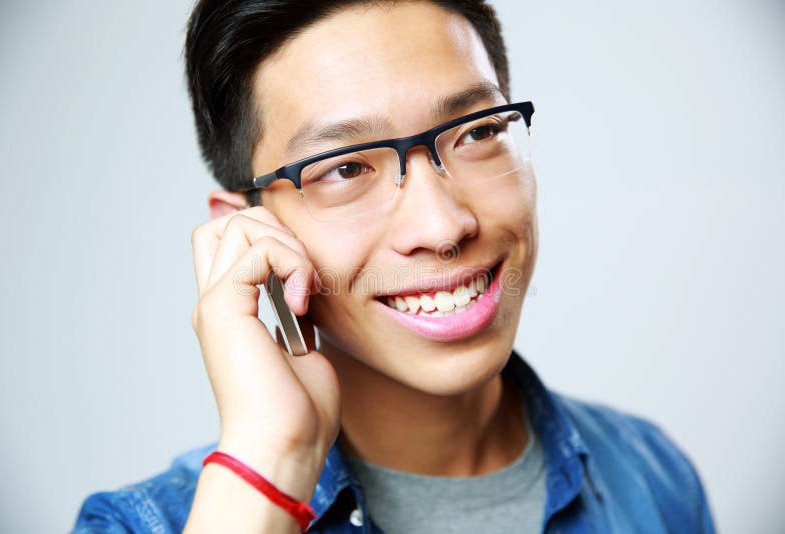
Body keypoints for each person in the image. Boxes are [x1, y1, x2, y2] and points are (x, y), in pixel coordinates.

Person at [72, 1, 715, 532]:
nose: (443, 226)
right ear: (243, 232)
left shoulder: (650, 473)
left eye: (474, 133)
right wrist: (272, 461)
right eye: (346, 169)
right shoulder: (146, 522)